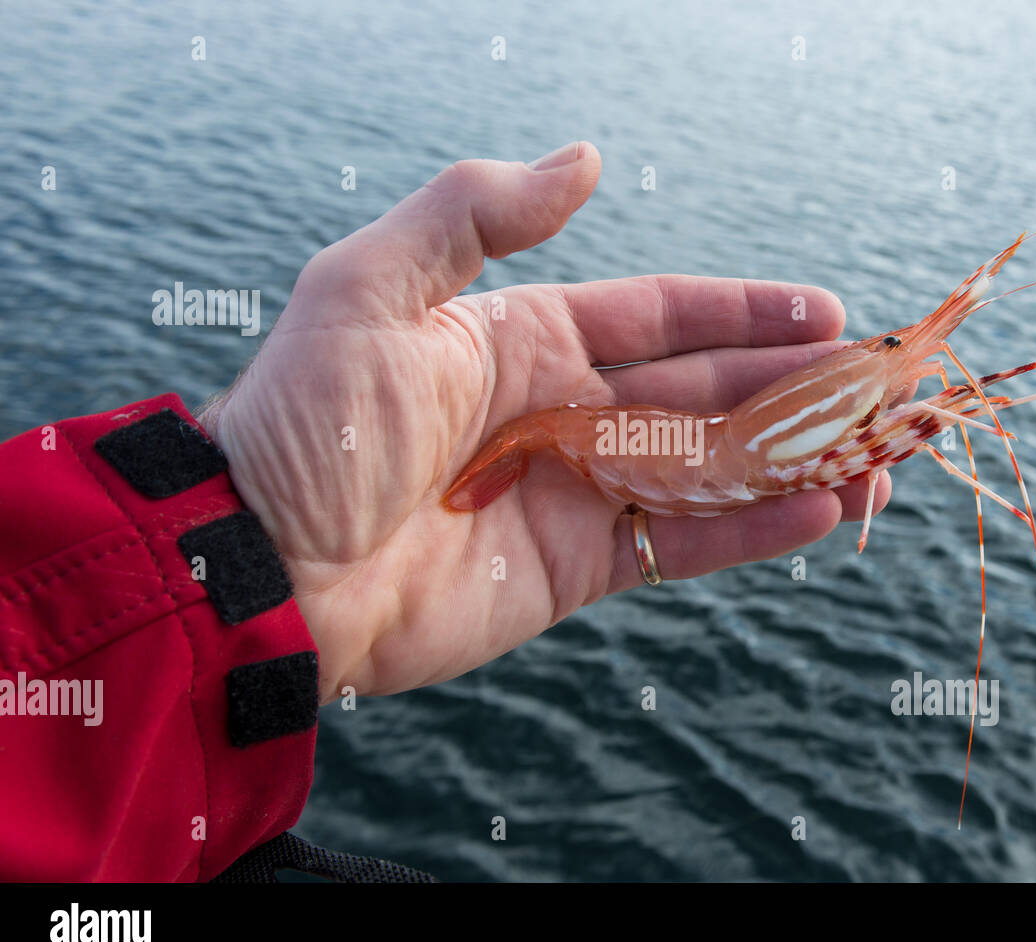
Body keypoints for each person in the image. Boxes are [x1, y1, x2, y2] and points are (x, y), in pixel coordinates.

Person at [0, 142, 892, 881]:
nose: (891, 361)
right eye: (886, 354)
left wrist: (250, 546)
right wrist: (269, 528)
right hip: (596, 448)